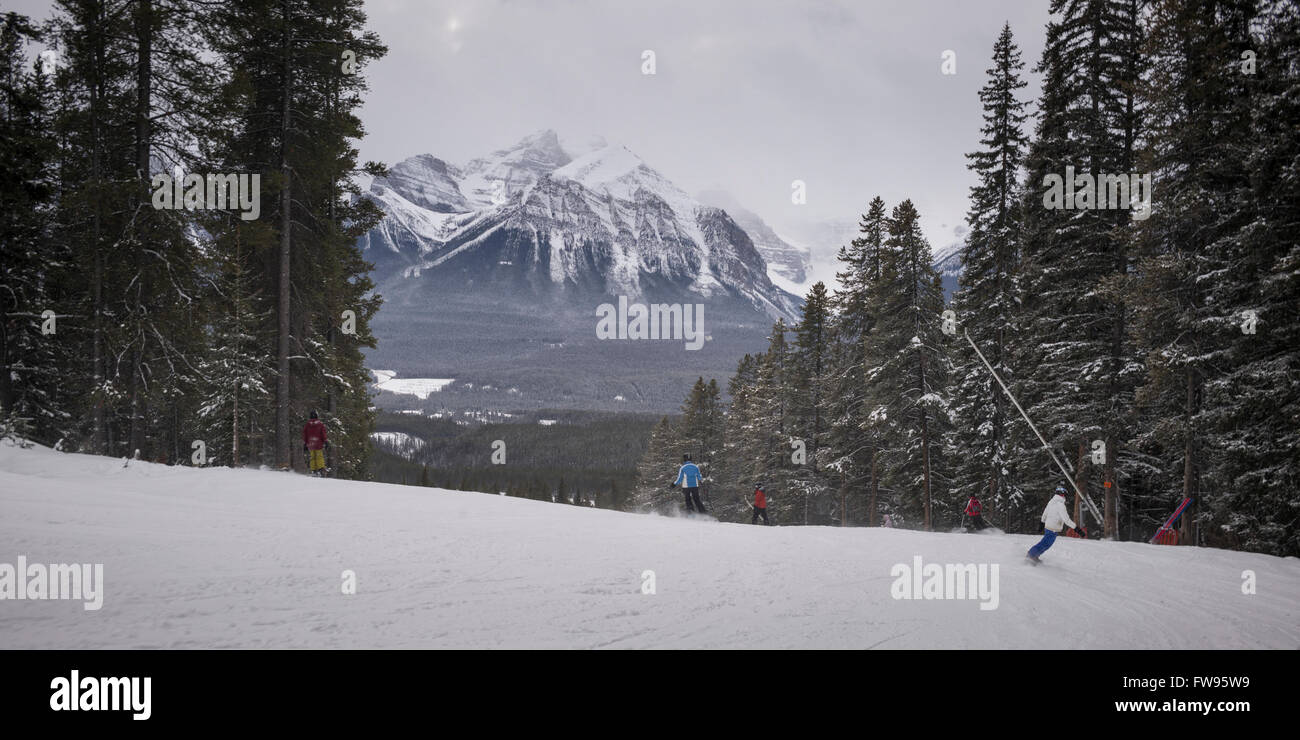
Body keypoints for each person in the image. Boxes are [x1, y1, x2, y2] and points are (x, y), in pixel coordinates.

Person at [1027, 484, 1084, 562]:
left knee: (1045, 544)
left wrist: (1042, 523)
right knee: (1045, 544)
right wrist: (1077, 529)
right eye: (1065, 495)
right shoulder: (1060, 505)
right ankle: (1031, 555)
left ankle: (1034, 555)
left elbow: (1045, 513)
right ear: (1062, 494)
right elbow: (1066, 520)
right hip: (1053, 529)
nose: (1065, 497)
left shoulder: (1051, 502)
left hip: (1048, 527)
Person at [302, 410, 329, 477]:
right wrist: (325, 441)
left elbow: (305, 434)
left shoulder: (307, 425)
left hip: (310, 444)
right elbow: (323, 434)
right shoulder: (320, 424)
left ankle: (313, 470)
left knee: (312, 457)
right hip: (318, 444)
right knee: (319, 457)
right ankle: (320, 470)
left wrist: (305, 443)